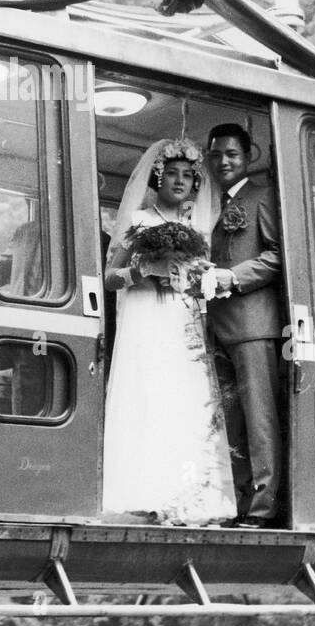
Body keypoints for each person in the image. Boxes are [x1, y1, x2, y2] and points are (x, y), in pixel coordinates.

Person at [101, 138, 236, 525]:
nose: (180, 182)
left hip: (181, 317)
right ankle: (144, 493)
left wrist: (197, 279)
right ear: (158, 179)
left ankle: (190, 498)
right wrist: (143, 271)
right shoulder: (138, 221)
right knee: (147, 393)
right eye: (172, 174)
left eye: (188, 176)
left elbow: (201, 279)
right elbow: (109, 278)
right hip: (145, 317)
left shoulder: (195, 228)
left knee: (185, 396)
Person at [203, 122, 284, 529]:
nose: (223, 162)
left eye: (231, 154)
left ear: (249, 156)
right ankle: (238, 504)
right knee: (230, 422)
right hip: (217, 328)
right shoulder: (214, 204)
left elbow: (277, 257)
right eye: (216, 155)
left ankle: (263, 509)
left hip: (253, 325)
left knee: (259, 420)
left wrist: (232, 277)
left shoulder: (262, 196)